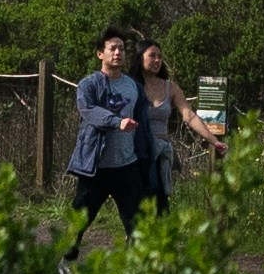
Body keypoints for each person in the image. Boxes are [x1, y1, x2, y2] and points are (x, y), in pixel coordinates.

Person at [60, 27, 206, 249]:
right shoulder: (88, 84)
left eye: (121, 48)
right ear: (101, 53)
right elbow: (88, 111)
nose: (118, 52)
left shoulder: (133, 87)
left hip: (127, 165)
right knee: (80, 218)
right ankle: (65, 259)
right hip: (96, 166)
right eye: (112, 48)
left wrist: (145, 157)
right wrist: (116, 121)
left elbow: (144, 127)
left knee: (136, 223)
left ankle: (135, 271)